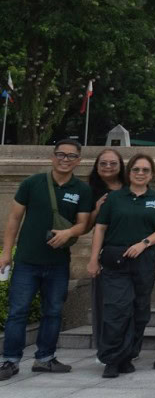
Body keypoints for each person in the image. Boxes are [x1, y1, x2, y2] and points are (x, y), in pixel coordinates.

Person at [0, 140, 93, 381]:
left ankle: (45, 358)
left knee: (53, 311)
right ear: (52, 157)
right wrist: (6, 252)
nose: (65, 159)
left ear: (78, 161)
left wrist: (68, 233)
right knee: (17, 312)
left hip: (58, 263)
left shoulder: (81, 190)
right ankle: (10, 360)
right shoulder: (33, 183)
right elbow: (14, 219)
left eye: (71, 156)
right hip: (27, 261)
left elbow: (83, 224)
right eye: (61, 154)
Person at [86, 153, 155, 378]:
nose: (140, 174)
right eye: (136, 169)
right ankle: (112, 358)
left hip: (143, 258)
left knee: (140, 310)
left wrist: (144, 244)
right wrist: (93, 259)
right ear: (129, 172)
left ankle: (128, 355)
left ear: (151, 174)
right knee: (117, 308)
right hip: (116, 259)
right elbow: (100, 228)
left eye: (145, 170)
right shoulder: (114, 198)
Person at [87, 148, 125, 355]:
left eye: (113, 163)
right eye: (103, 163)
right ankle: (104, 348)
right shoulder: (90, 190)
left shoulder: (130, 187)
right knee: (103, 303)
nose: (108, 167)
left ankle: (126, 347)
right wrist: (96, 209)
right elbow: (85, 225)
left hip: (131, 252)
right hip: (105, 252)